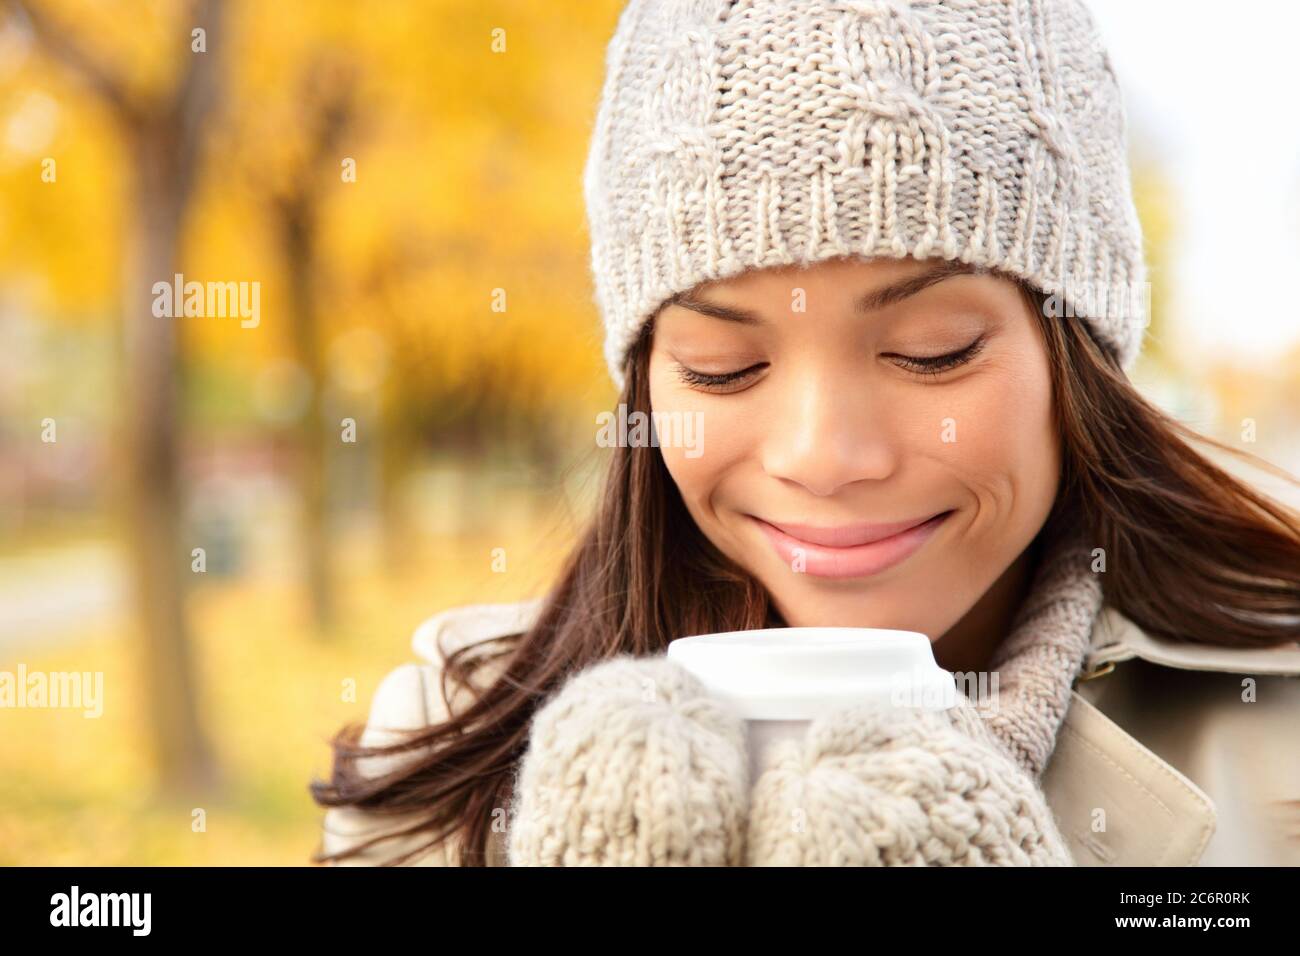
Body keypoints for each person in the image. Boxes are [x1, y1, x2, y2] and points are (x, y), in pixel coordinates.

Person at [310, 0, 1300, 866]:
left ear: (1074, 358)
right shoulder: (449, 759)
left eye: (931, 350)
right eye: (721, 368)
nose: (822, 456)